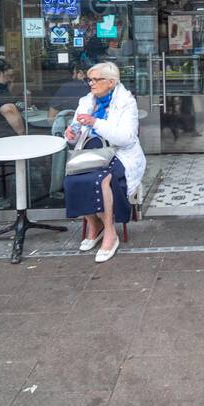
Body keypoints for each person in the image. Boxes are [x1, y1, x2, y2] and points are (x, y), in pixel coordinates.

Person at [62, 61, 145, 263]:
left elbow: (126, 138)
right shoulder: (86, 101)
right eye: (90, 79)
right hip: (90, 152)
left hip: (119, 154)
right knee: (72, 178)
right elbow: (75, 133)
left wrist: (95, 122)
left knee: (101, 179)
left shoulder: (126, 102)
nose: (91, 83)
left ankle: (109, 232)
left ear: (110, 82)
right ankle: (94, 224)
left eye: (96, 79)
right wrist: (71, 134)